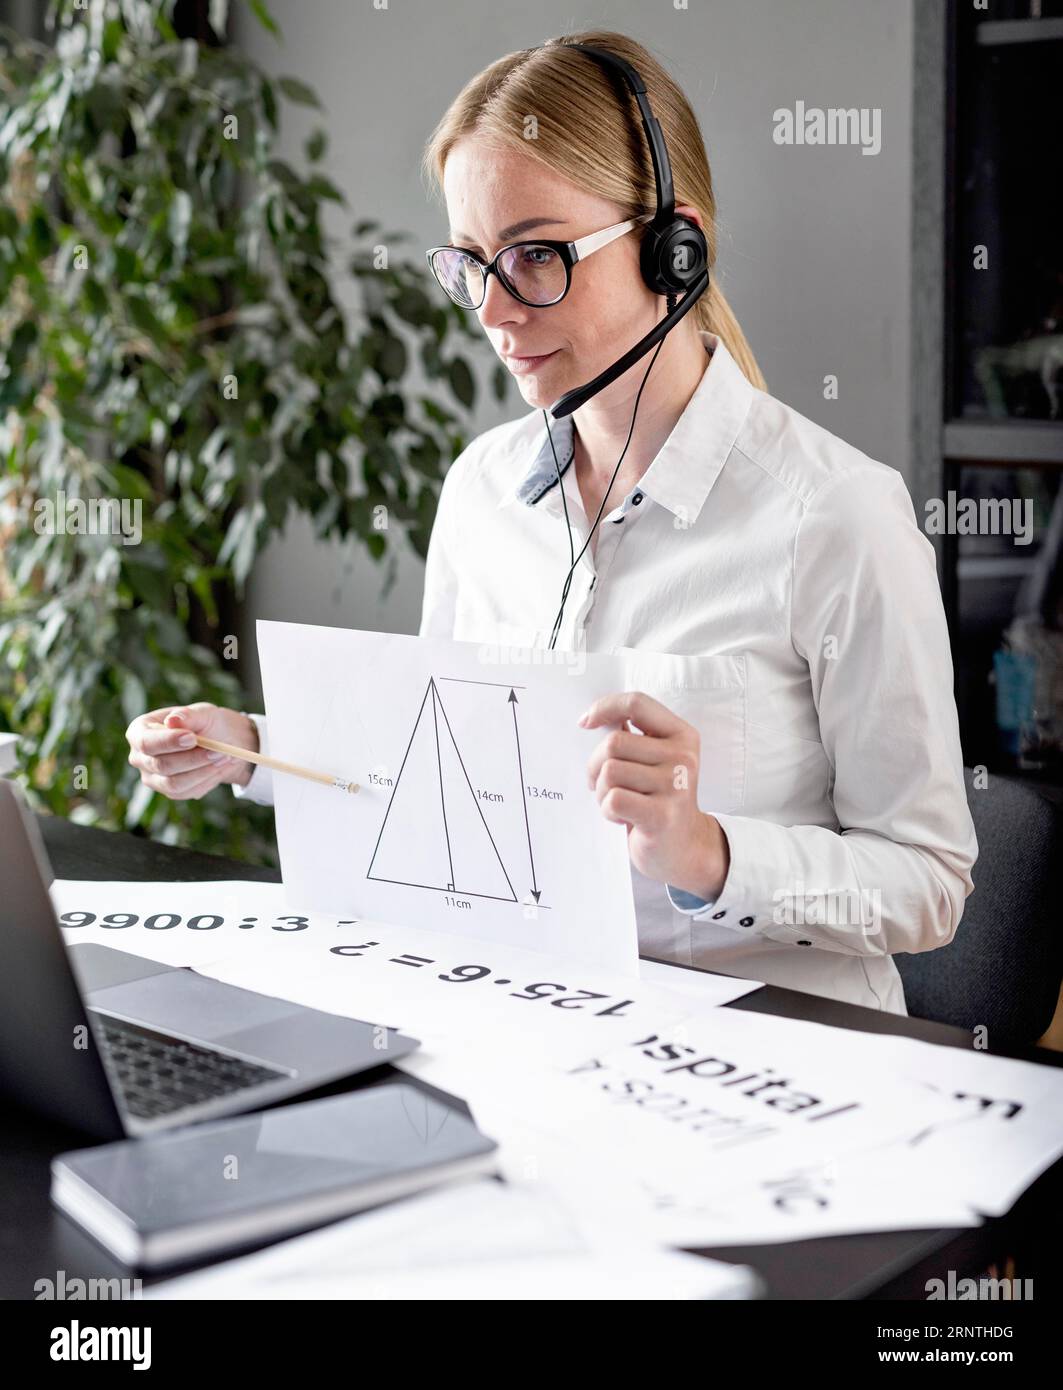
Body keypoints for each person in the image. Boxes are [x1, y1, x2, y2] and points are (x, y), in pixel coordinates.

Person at [125, 30, 976, 1014]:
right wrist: (253, 751)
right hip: (537, 1037)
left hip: (774, 1067)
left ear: (674, 247)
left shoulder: (835, 518)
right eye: (471, 263)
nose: (493, 310)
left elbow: (928, 886)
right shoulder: (480, 492)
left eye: (536, 255)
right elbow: (445, 780)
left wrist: (709, 853)